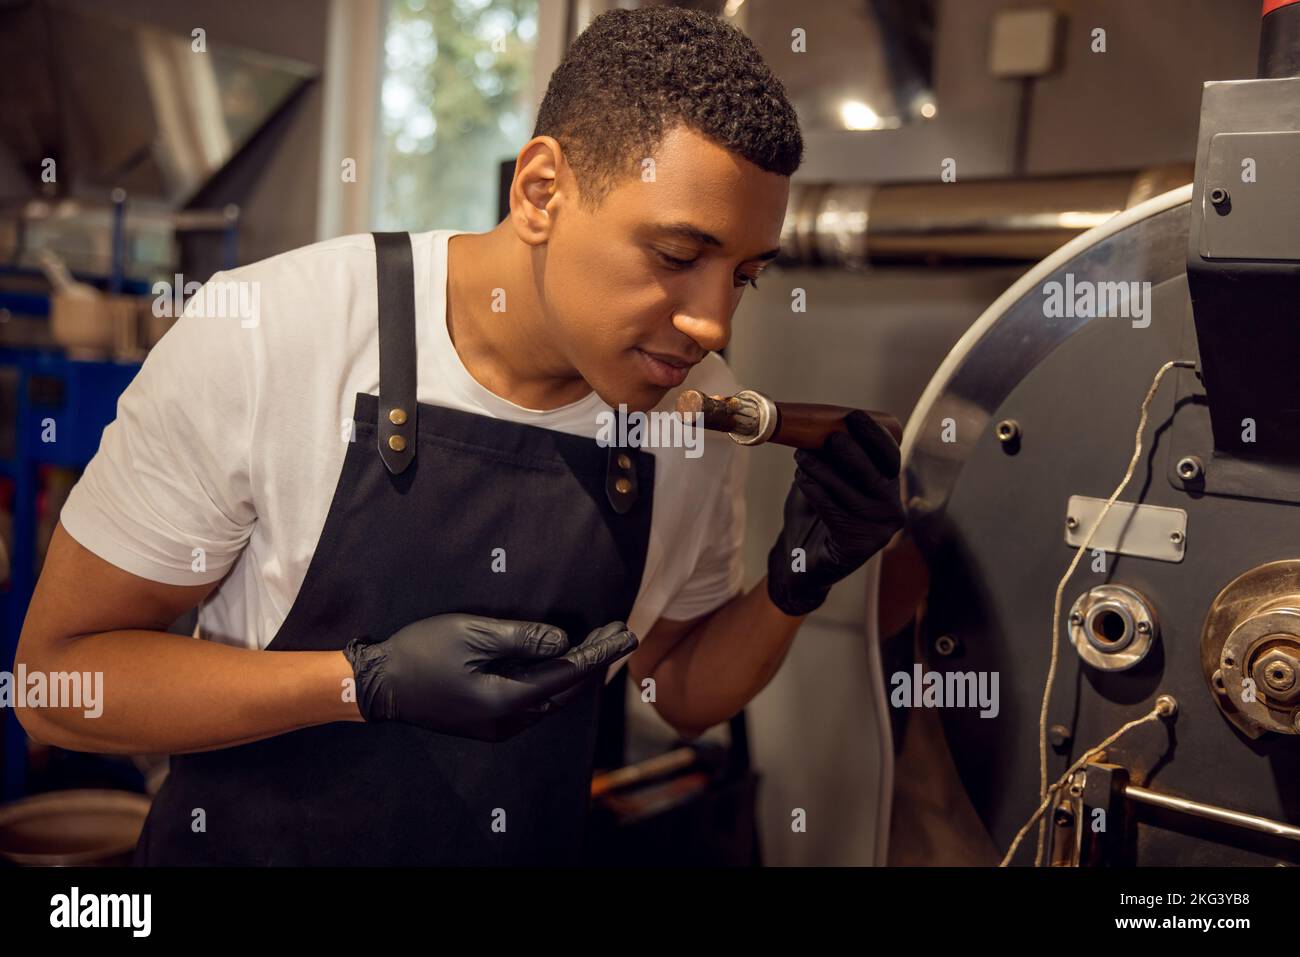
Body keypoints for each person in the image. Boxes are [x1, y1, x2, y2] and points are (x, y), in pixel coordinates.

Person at [15, 6, 904, 865]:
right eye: (677, 256)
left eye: (744, 275)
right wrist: (359, 684)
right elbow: (59, 685)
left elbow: (676, 689)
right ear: (541, 190)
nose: (712, 323)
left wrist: (795, 580)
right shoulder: (277, 332)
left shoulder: (695, 414)